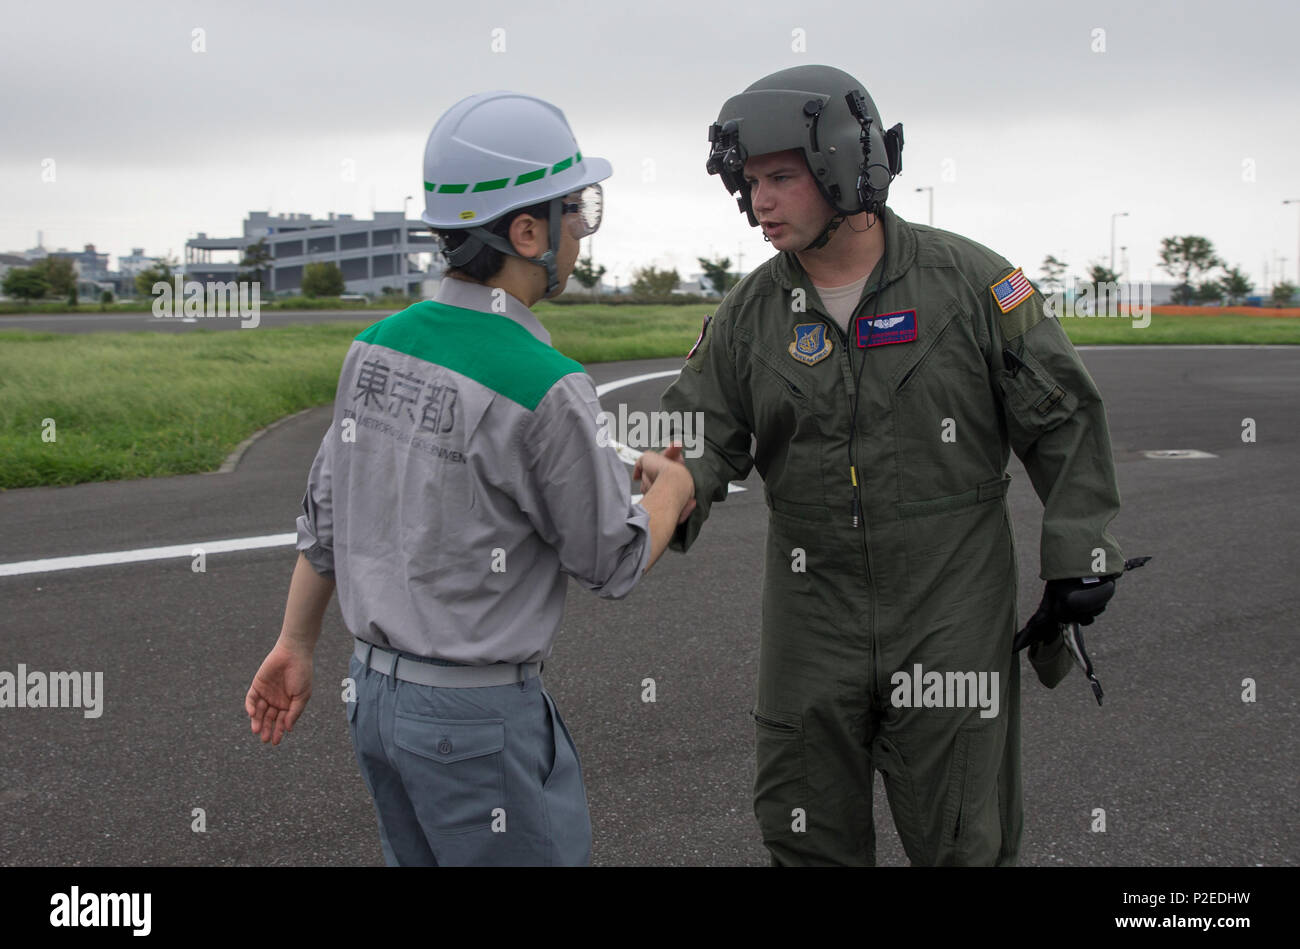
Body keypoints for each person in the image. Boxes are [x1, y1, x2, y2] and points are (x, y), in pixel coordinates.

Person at [637, 65, 1125, 866]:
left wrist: (1081, 550)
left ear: (843, 165)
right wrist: (656, 499)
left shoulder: (973, 285)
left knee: (964, 836)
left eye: (782, 177)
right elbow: (695, 437)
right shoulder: (749, 315)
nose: (760, 201)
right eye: (751, 181)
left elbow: (1063, 418)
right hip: (811, 612)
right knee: (804, 829)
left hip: (950, 605)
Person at [244, 90, 695, 867]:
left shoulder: (376, 347)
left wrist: (294, 642)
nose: (582, 229)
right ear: (527, 231)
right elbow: (611, 559)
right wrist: (671, 494)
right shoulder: (547, 384)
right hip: (473, 719)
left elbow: (325, 525)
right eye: (574, 209)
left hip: (375, 698)